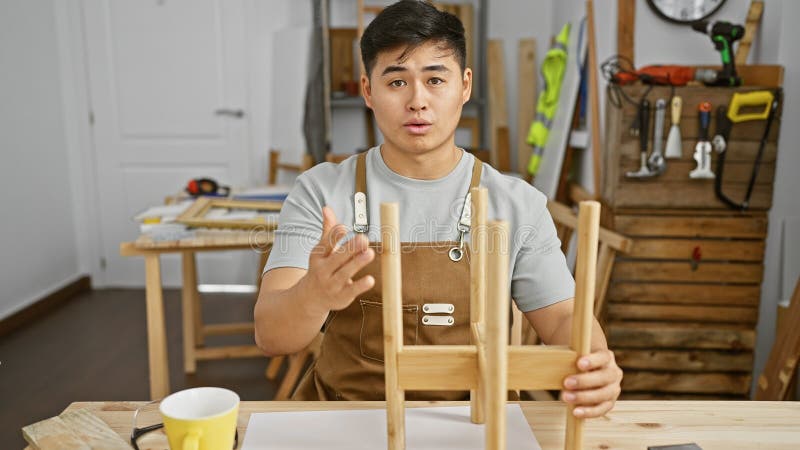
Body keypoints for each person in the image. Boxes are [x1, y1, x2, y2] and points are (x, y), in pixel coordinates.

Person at [254, 0, 622, 418]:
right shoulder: (321, 194)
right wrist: (313, 294)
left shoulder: (516, 203)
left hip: (478, 424)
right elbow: (271, 335)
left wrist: (594, 360)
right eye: (396, 82)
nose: (417, 101)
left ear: (464, 86)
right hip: (347, 418)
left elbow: (561, 315)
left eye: (435, 79)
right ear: (368, 90)